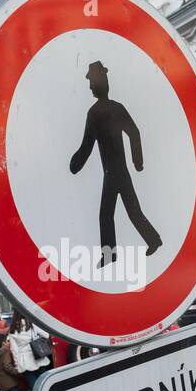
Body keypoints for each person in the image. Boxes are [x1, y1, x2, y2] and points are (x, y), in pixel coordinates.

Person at [69, 60, 162, 268]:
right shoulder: (116, 108)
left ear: (98, 84)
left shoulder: (95, 113)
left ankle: (111, 254)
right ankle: (153, 240)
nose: (90, 87)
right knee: (132, 210)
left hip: (112, 173)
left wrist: (75, 164)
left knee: (107, 214)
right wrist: (137, 162)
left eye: (91, 83)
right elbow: (134, 133)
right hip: (120, 171)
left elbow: (86, 146)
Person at [8, 316, 51, 388]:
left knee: (33, 386)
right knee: (44, 384)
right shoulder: (32, 325)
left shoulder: (12, 331)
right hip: (38, 355)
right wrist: (36, 337)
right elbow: (46, 335)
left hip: (24, 361)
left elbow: (14, 350)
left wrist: (16, 364)